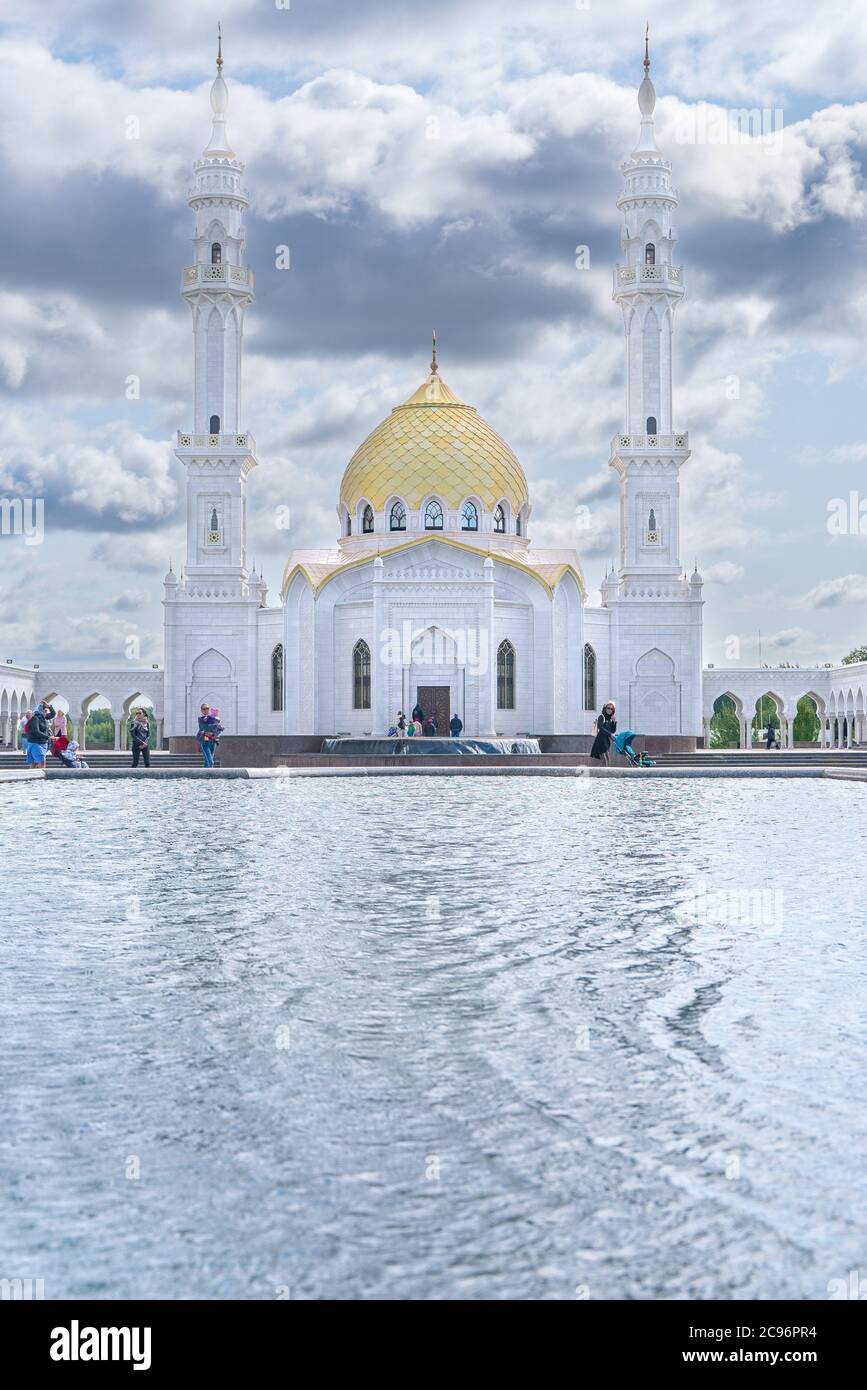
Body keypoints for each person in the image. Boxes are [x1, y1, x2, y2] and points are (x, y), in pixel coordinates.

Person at [197, 702, 223, 767]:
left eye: (207, 708)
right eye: (204, 709)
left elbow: (218, 727)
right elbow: (203, 728)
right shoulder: (201, 719)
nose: (206, 710)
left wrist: (219, 727)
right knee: (211, 762)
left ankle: (204, 776)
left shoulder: (213, 718)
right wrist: (210, 730)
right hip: (205, 742)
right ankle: (209, 776)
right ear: (201, 710)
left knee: (207, 762)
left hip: (213, 742)